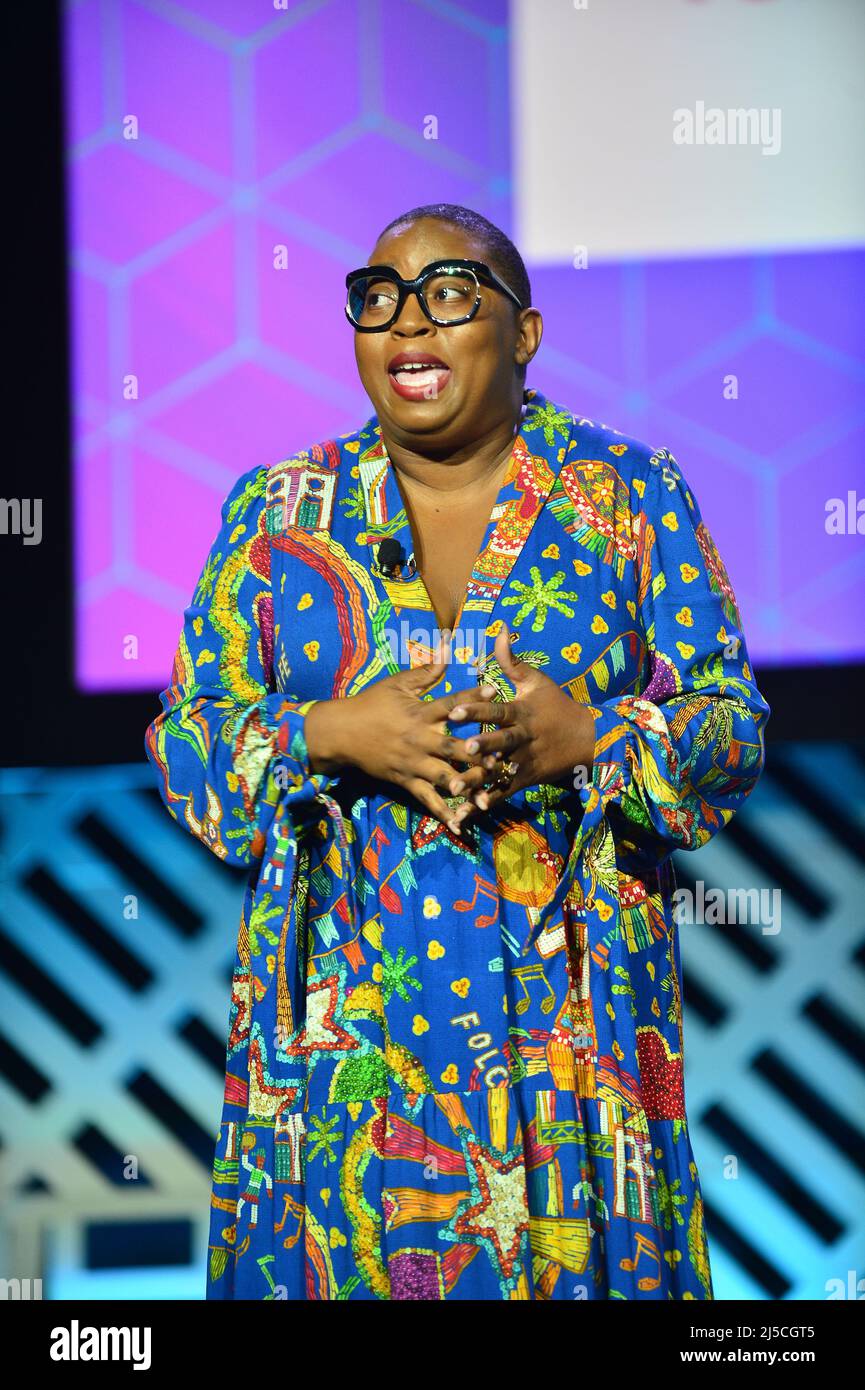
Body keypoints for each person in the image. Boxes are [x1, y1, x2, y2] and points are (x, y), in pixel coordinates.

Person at [144, 202, 769, 1301]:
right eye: (377, 299)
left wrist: (587, 736)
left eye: (448, 293)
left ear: (523, 333)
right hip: (341, 1064)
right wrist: (334, 732)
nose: (406, 326)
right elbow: (191, 750)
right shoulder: (280, 515)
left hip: (568, 1048)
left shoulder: (629, 497)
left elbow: (731, 733)